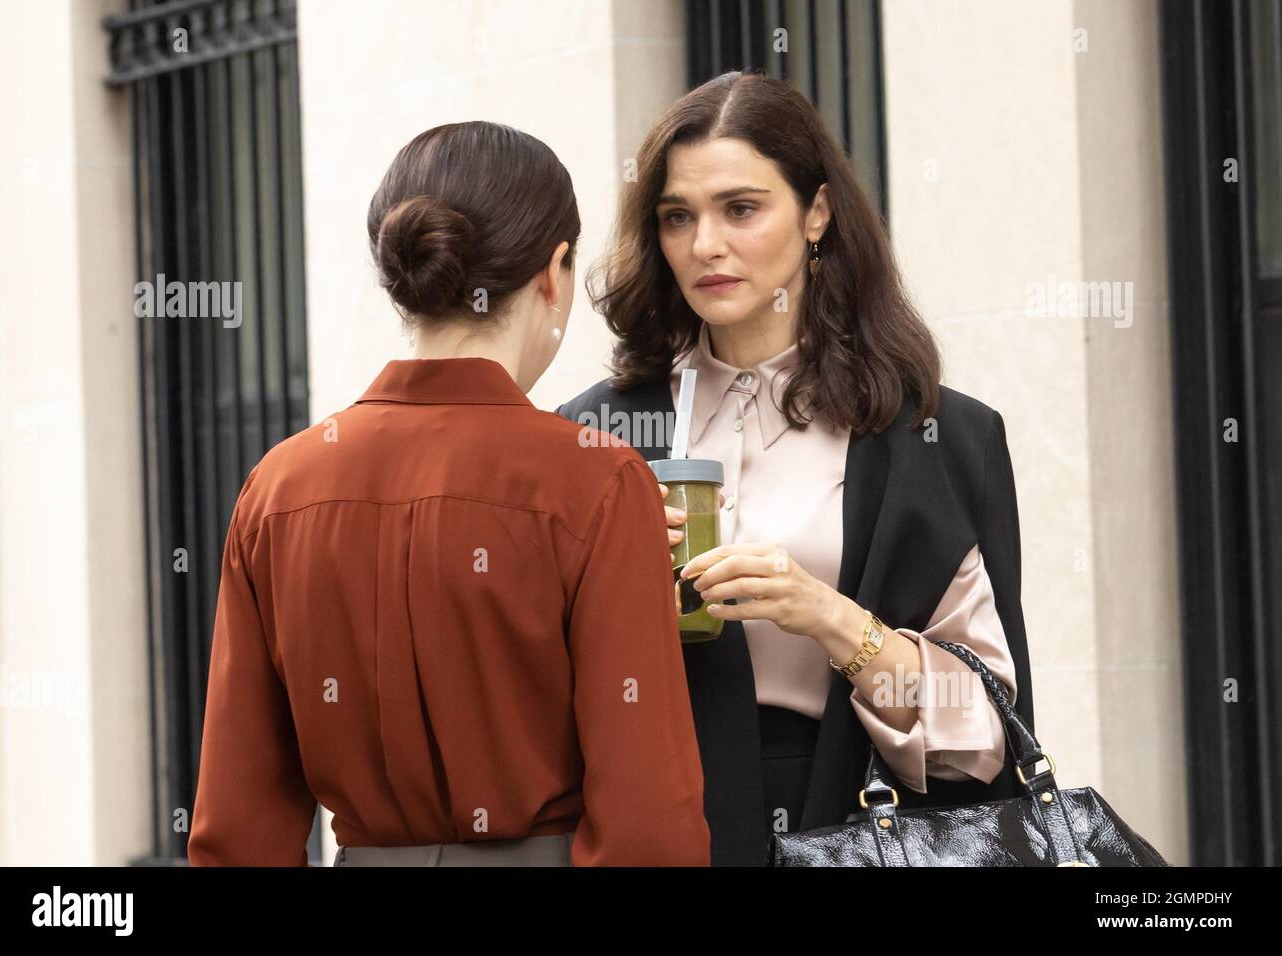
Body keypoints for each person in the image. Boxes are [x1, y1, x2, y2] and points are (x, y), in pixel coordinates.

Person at [188, 121, 710, 867]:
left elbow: (238, 832)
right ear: (554, 272)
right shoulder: (600, 480)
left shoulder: (278, 489)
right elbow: (647, 829)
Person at [557, 72, 1036, 866]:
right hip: (648, 834)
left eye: (741, 209)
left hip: (858, 827)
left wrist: (828, 616)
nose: (705, 245)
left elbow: (987, 732)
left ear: (817, 212)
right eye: (678, 217)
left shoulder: (940, 437)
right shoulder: (592, 431)